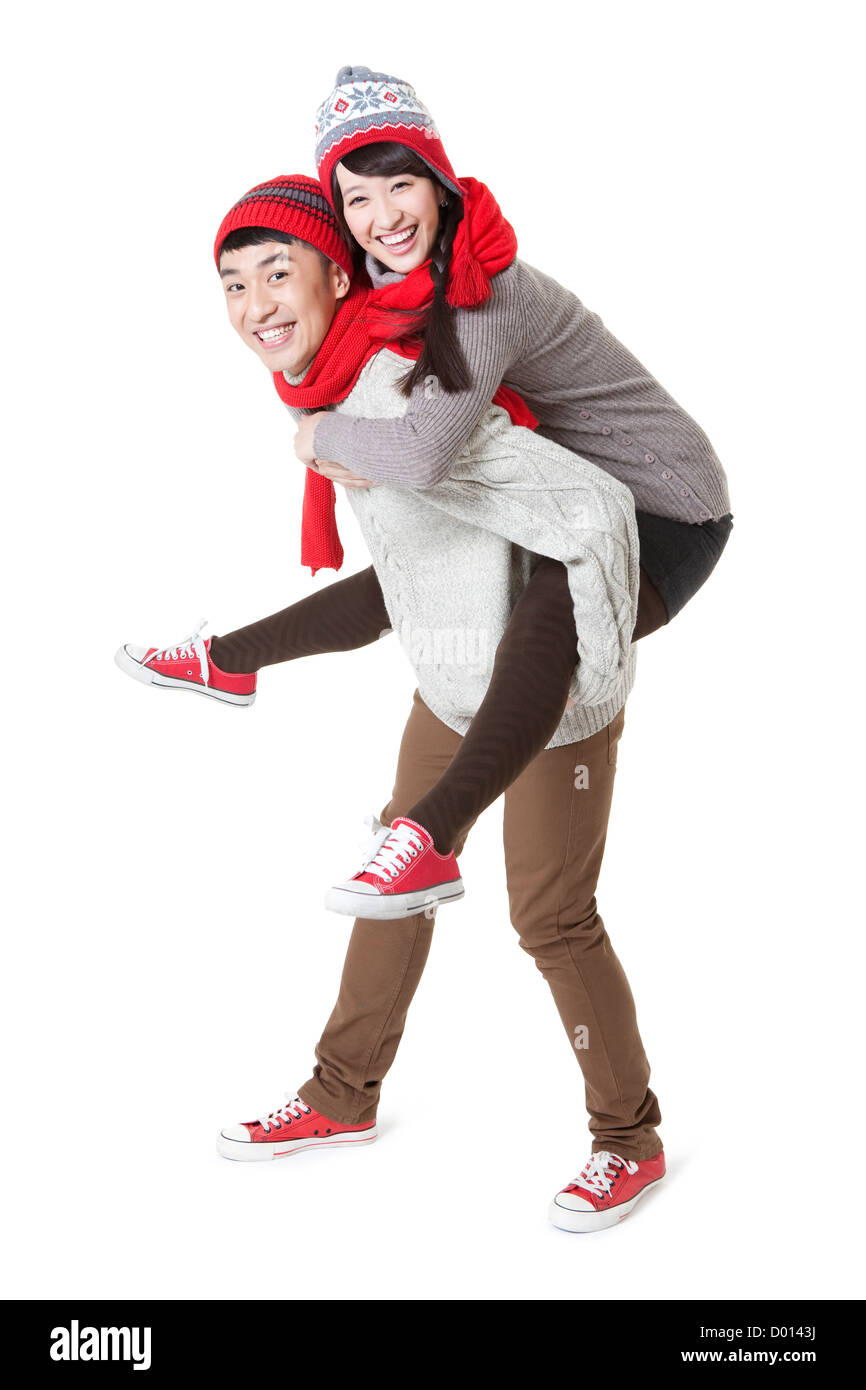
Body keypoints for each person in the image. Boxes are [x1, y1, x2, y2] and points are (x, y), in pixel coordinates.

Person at [117, 178, 665, 1231]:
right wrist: (237, 654)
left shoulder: (396, 391)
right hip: (456, 675)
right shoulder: (333, 393)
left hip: (549, 691)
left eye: (277, 274)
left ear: (337, 276)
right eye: (233, 284)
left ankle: (627, 1140)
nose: (255, 305)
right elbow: (404, 580)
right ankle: (342, 1092)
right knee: (393, 873)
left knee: (551, 917)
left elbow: (586, 511)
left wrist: (585, 652)